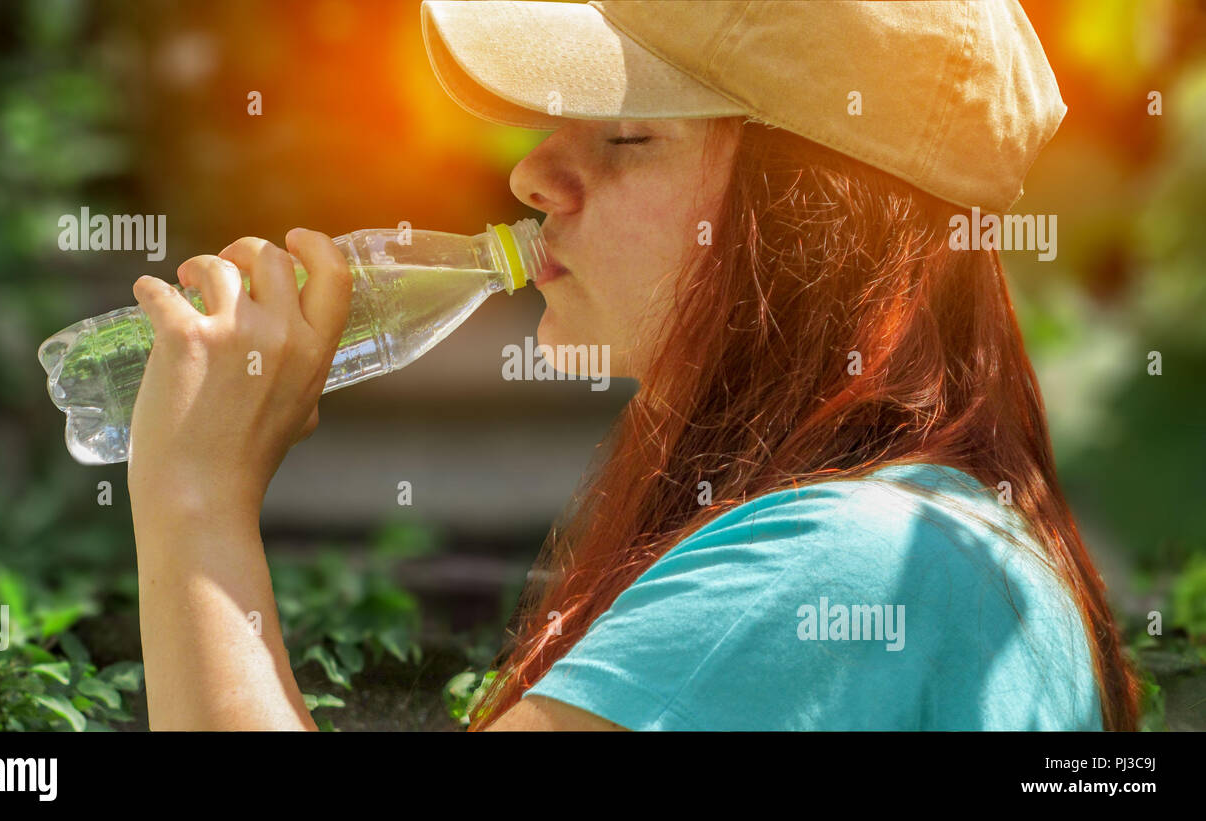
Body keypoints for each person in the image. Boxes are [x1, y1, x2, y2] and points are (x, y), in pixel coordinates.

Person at [126, 0, 1141, 730]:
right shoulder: (952, 545)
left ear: (815, 212)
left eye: (625, 135)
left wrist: (197, 495)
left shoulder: (843, 568)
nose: (531, 171)